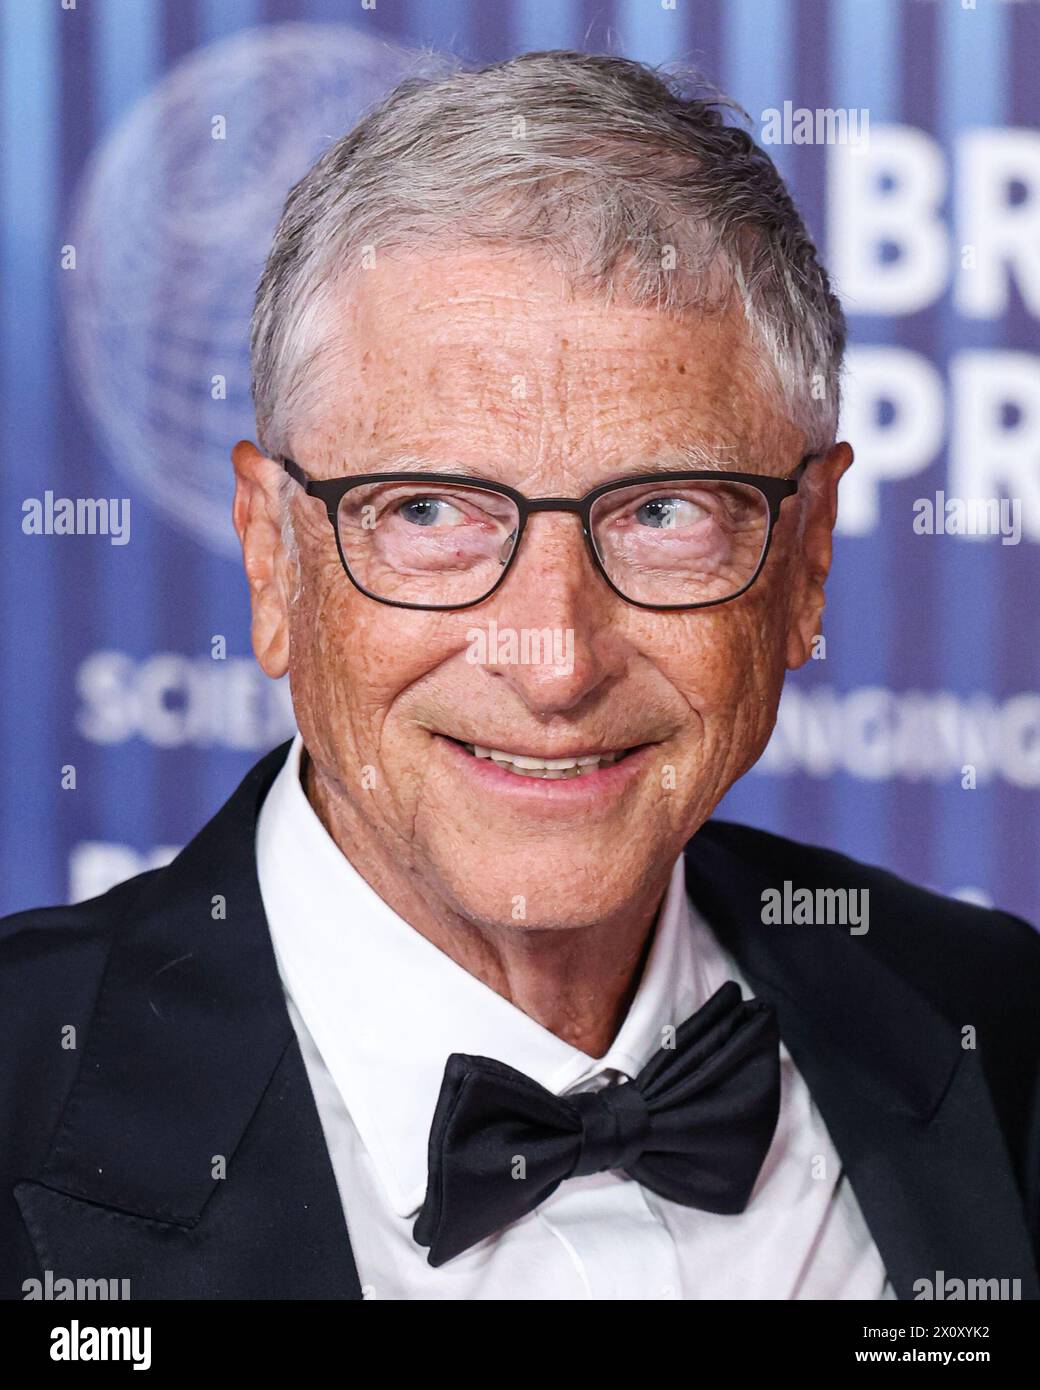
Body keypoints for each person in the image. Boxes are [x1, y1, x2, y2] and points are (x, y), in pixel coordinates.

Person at [3, 51, 1038, 1302]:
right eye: (431, 510)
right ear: (272, 559)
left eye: (662, 510)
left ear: (806, 561)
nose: (554, 660)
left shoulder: (996, 1027)